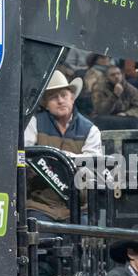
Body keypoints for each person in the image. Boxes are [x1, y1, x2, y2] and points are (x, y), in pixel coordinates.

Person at [23, 70, 103, 223]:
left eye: (64, 95)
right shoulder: (34, 123)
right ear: (45, 104)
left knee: (87, 239)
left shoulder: (90, 129)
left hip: (77, 206)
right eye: (53, 97)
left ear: (72, 98)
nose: (60, 101)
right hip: (40, 205)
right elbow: (24, 158)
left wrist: (57, 157)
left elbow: (93, 167)